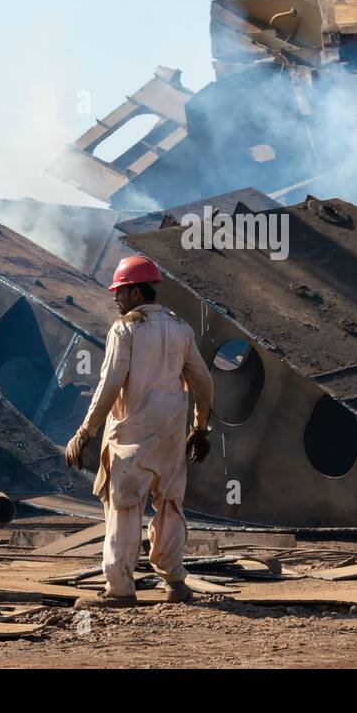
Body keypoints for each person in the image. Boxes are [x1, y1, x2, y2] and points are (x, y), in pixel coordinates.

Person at [64, 255, 214, 608]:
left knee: (124, 506)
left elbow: (109, 384)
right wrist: (201, 428)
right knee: (170, 504)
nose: (115, 298)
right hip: (171, 434)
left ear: (133, 292)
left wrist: (85, 432)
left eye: (119, 292)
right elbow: (203, 381)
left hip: (132, 434)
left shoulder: (125, 329)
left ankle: (119, 589)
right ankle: (175, 582)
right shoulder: (181, 328)